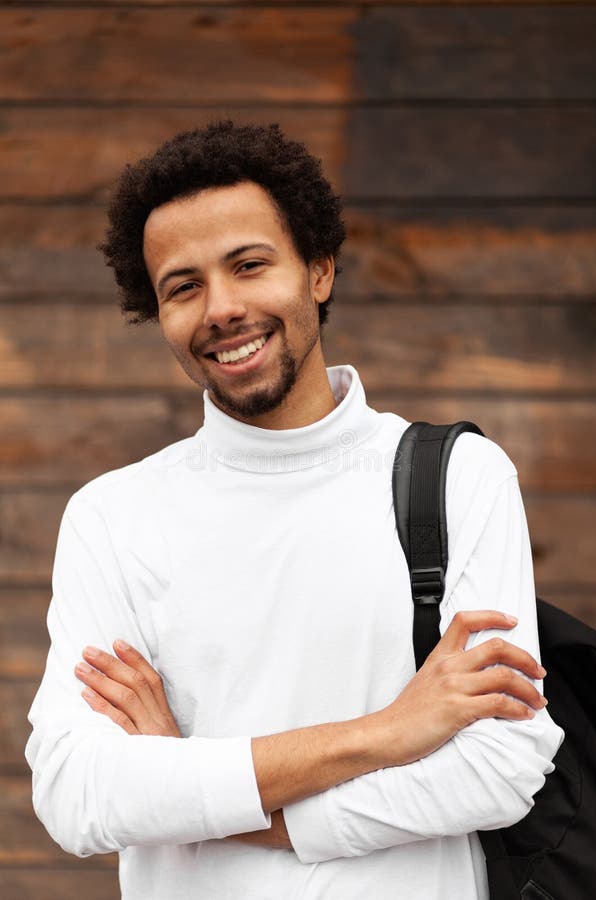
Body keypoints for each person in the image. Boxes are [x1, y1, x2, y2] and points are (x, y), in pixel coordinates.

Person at [26, 121, 563, 900]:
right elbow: (78, 794)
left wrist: (201, 791)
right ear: (158, 312)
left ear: (318, 269)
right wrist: (386, 734)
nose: (222, 308)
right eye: (183, 286)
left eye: (249, 265)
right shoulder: (114, 516)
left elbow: (497, 769)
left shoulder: (456, 478)